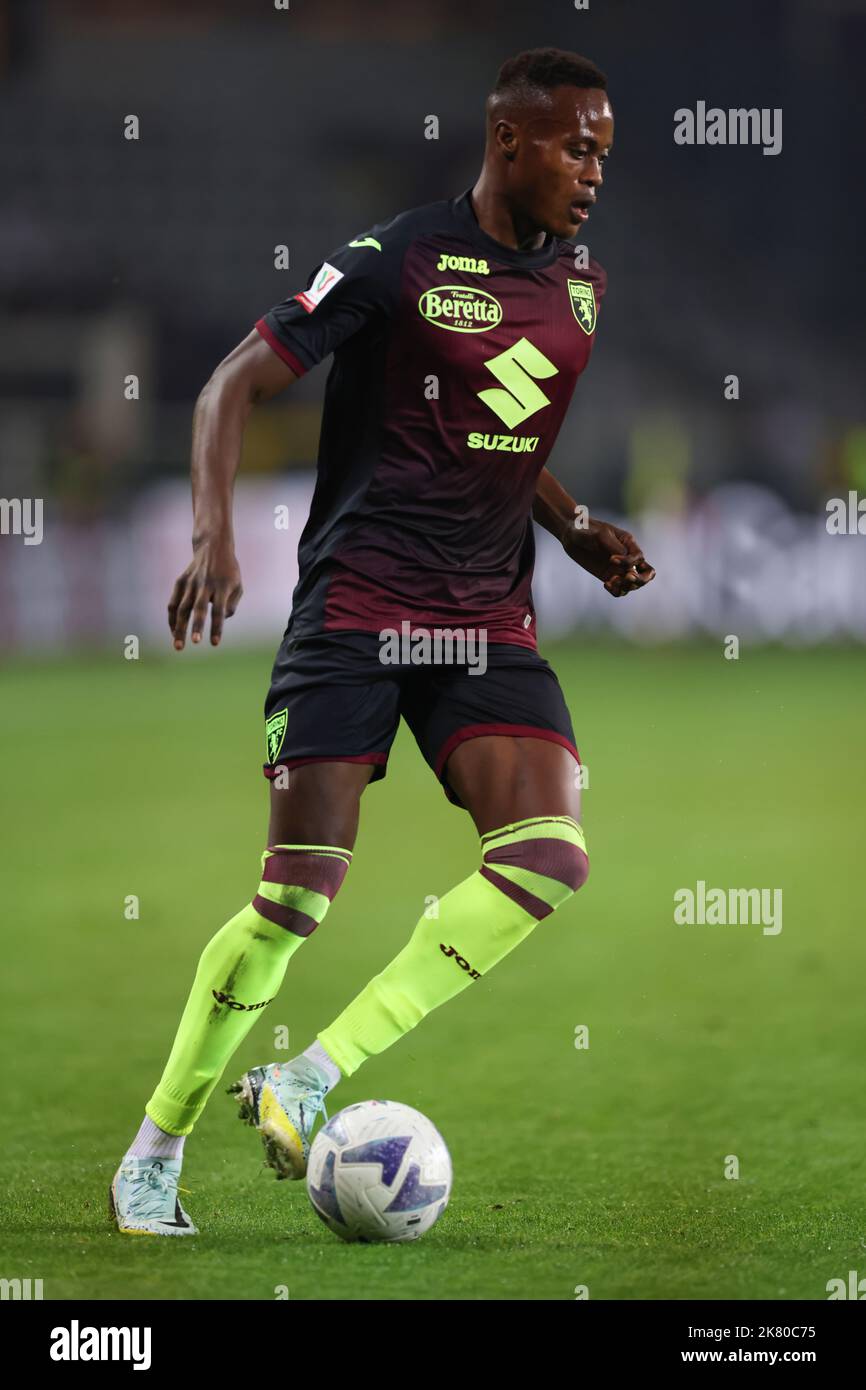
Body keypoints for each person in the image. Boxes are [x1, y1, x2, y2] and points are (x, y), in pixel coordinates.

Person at [110, 46, 654, 1236]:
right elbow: (227, 386)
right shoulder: (394, 259)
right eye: (574, 146)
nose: (591, 172)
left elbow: (491, 423)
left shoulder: (580, 287)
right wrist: (213, 536)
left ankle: (308, 1075)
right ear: (507, 141)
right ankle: (154, 1148)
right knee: (294, 899)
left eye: (603, 151)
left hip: (481, 618)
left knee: (548, 857)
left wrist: (568, 525)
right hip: (359, 606)